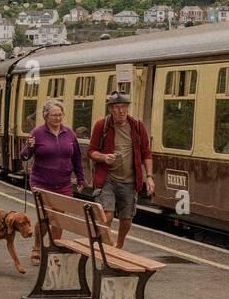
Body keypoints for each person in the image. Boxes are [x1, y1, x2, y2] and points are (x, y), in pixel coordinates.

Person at [21, 98, 85, 264]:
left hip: (63, 183)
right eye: (54, 115)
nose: (57, 118)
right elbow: (24, 156)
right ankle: (37, 248)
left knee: (58, 219)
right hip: (41, 182)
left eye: (60, 114)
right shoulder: (37, 132)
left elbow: (77, 156)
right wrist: (29, 147)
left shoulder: (69, 133)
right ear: (46, 116)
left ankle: (54, 249)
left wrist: (80, 177)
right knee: (45, 217)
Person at [88, 92, 153, 249]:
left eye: (124, 107)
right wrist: (103, 157)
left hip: (130, 180)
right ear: (111, 109)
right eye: (117, 107)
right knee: (107, 214)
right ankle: (106, 247)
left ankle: (118, 245)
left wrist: (149, 176)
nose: (121, 111)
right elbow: (91, 151)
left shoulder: (137, 126)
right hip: (107, 178)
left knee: (126, 219)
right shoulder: (101, 125)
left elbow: (146, 153)